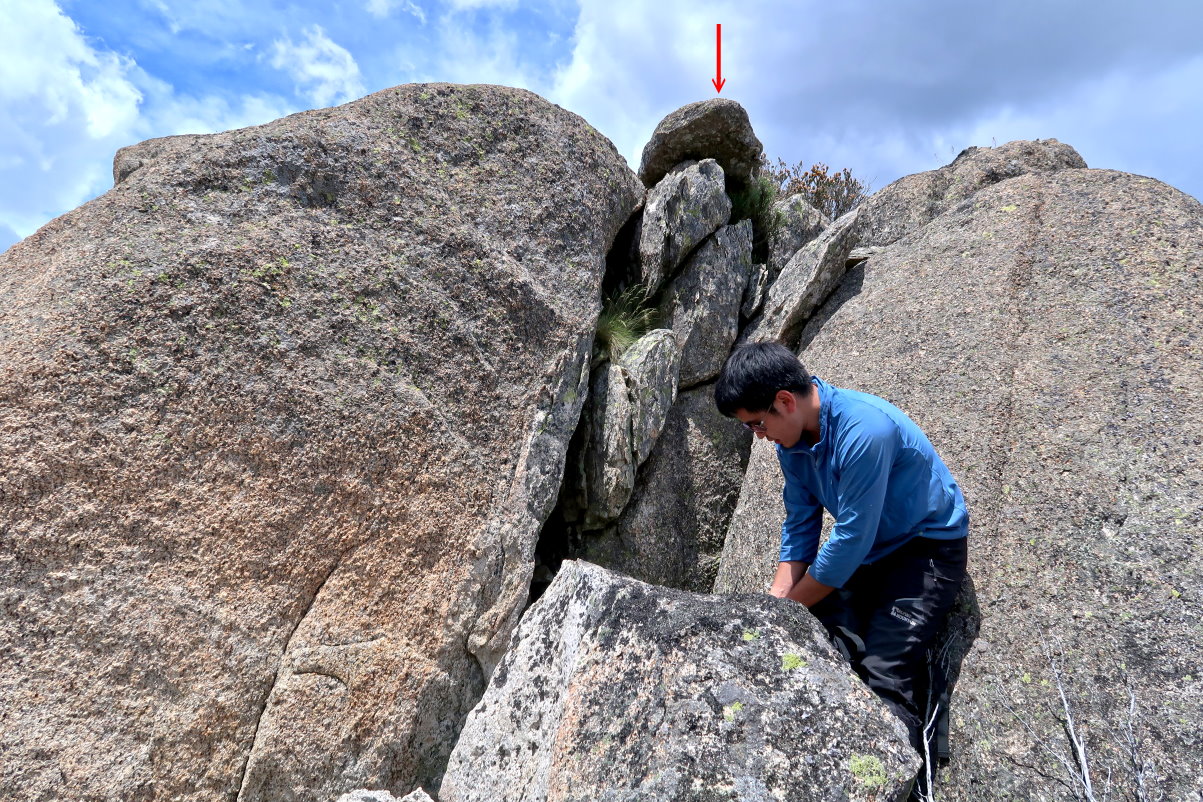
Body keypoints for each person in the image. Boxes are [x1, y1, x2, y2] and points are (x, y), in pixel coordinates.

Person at [715, 341, 968, 796]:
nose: (759, 436)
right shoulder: (793, 441)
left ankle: (901, 786)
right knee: (821, 644)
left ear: (785, 401)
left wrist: (792, 606)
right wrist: (775, 606)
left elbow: (851, 537)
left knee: (885, 672)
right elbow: (801, 522)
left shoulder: (864, 429)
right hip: (872, 552)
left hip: (926, 549)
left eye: (757, 423)